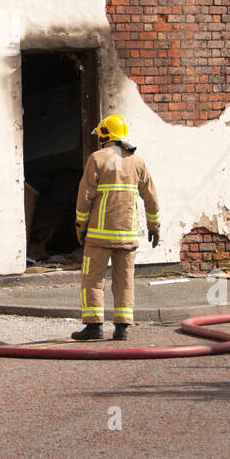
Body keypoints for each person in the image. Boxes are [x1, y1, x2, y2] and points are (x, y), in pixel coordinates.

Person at [72, 115, 160, 342]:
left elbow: (85, 197)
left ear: (104, 135)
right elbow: (150, 197)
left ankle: (93, 327)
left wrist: (80, 226)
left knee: (93, 280)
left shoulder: (97, 159)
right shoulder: (137, 162)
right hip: (127, 236)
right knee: (124, 281)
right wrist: (154, 226)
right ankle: (122, 329)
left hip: (99, 236)